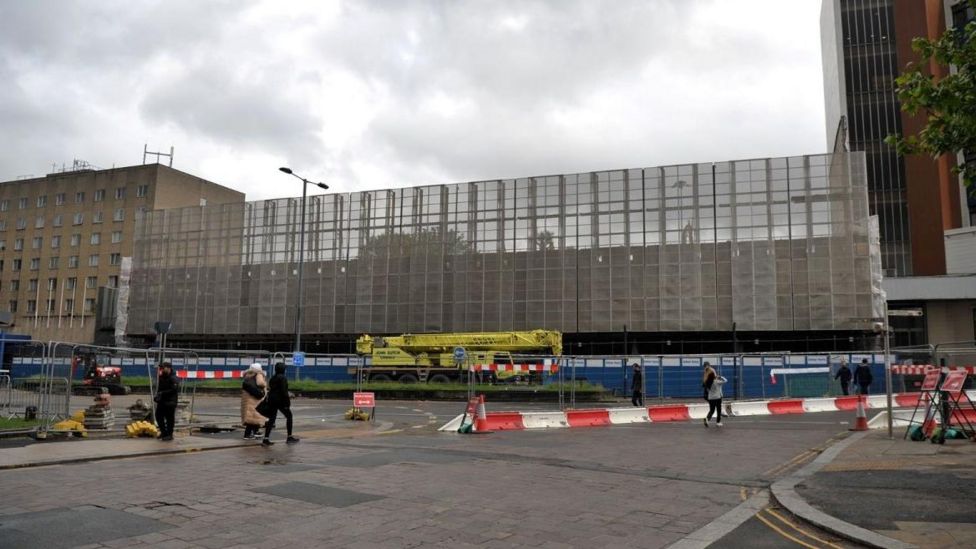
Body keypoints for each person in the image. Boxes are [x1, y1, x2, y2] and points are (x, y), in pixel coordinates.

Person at [262, 362, 300, 446]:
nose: (285, 370)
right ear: (282, 369)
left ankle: (266, 439)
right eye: (285, 369)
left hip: (272, 400)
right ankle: (289, 437)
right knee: (289, 416)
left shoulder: (273, 378)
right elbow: (284, 392)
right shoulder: (283, 378)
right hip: (280, 401)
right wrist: (287, 403)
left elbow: (271, 389)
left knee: (271, 419)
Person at [240, 363, 268, 440]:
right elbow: (260, 383)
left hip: (248, 398)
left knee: (253, 416)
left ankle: (255, 431)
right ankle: (247, 434)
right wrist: (265, 384)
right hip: (254, 399)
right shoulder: (258, 374)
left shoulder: (248, 375)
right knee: (253, 417)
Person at [154, 362, 179, 441]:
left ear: (168, 368)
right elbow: (160, 388)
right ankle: (164, 432)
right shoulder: (162, 377)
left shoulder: (173, 378)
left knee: (169, 419)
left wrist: (162, 393)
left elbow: (174, 390)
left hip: (170, 402)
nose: (161, 369)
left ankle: (169, 434)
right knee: (158, 416)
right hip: (162, 401)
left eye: (163, 368)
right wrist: (157, 396)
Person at [701, 362, 726, 427]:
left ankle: (708, 419)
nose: (706, 367)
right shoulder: (711, 372)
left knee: (712, 409)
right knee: (718, 408)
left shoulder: (707, 372)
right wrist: (719, 377)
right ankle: (718, 421)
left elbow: (704, 382)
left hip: (710, 395)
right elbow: (724, 380)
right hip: (716, 396)